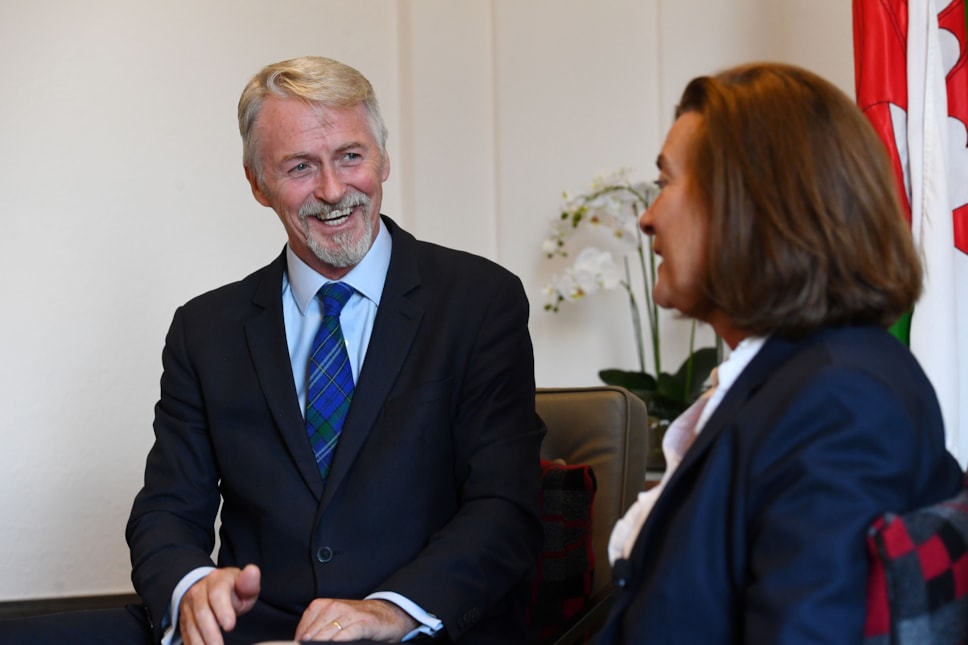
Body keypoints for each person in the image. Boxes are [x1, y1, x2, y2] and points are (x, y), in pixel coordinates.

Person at [0, 56, 544, 644]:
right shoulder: (204, 330)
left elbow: (504, 506)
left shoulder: (480, 300)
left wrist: (395, 611)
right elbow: (166, 511)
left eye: (351, 156)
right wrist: (191, 587)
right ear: (257, 183)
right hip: (248, 633)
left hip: (415, 630)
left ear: (384, 159)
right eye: (300, 167)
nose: (333, 190)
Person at [596, 62, 964, 644]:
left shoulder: (843, 400)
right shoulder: (792, 377)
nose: (646, 217)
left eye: (665, 182)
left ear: (749, 201)